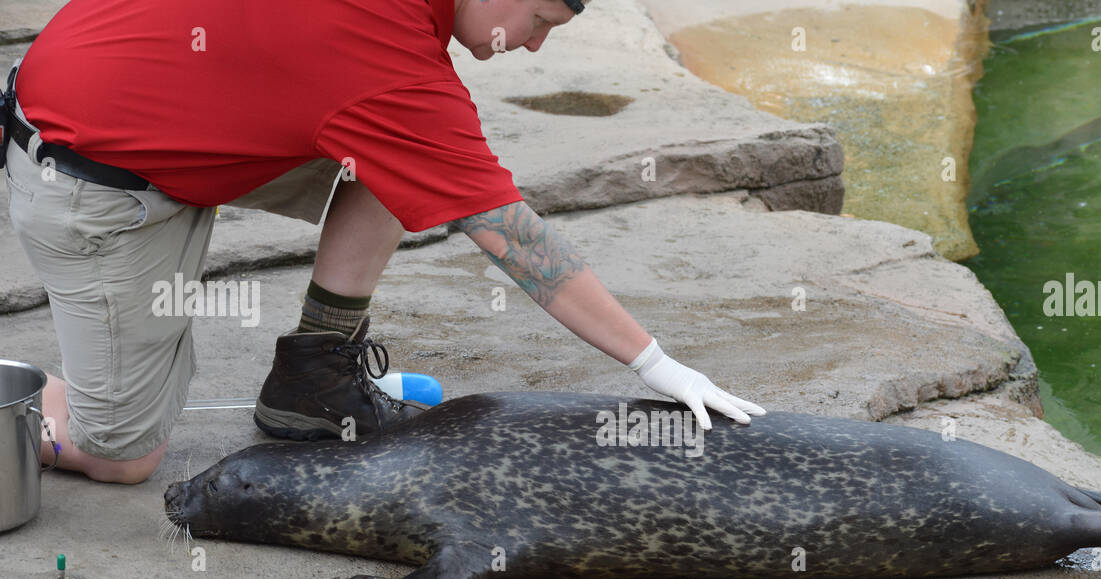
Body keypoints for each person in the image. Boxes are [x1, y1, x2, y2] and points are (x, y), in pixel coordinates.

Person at [2, 0, 764, 485]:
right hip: (90, 183)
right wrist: (655, 364)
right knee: (122, 454)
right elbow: (509, 231)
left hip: (143, 109)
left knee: (417, 158)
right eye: (540, 20)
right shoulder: (383, 56)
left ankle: (314, 380)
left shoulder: (403, 48)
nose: (533, 47)